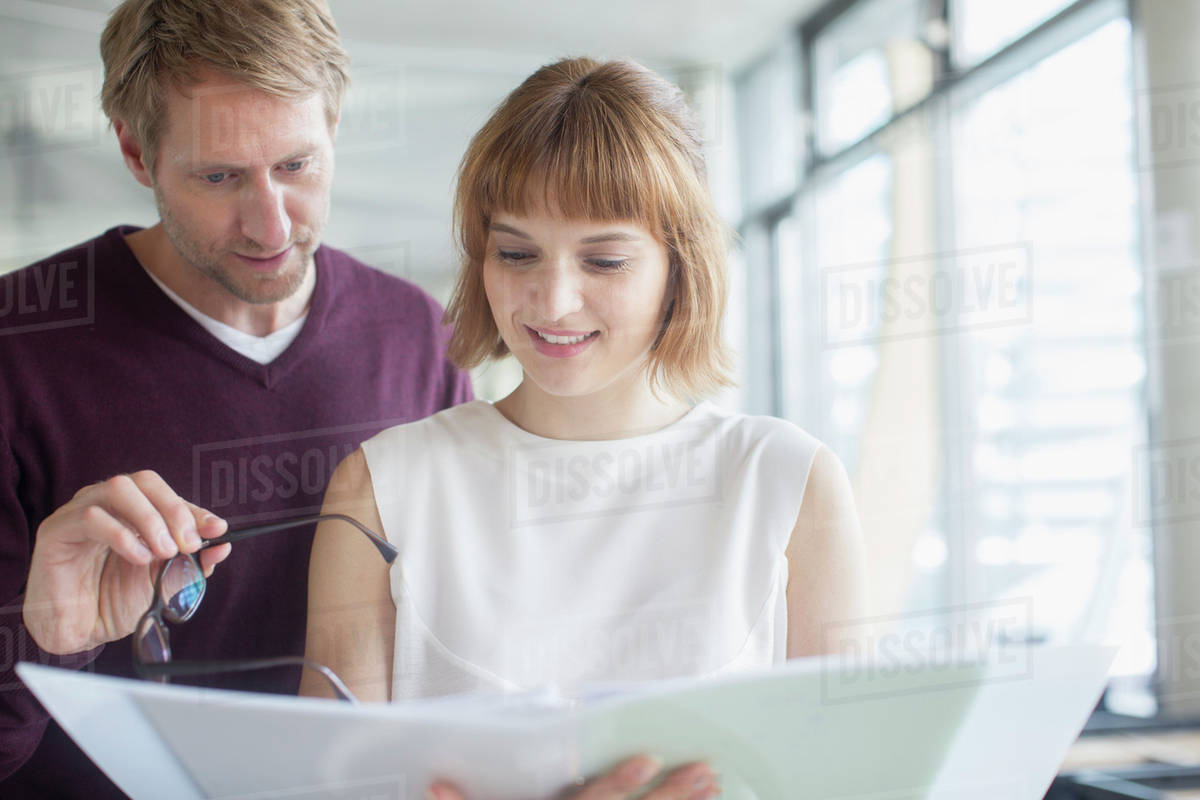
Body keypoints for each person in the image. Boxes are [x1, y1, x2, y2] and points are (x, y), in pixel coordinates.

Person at [302, 57, 868, 800]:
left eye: (603, 259)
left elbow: (852, 782)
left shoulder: (790, 484)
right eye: (516, 254)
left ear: (680, 266)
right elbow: (329, 789)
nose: (553, 300)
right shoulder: (383, 489)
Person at [0, 0, 471, 795]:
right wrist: (43, 640)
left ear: (334, 126)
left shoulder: (416, 336)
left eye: (297, 165)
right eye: (219, 177)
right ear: (135, 151)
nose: (270, 224)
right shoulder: (19, 347)